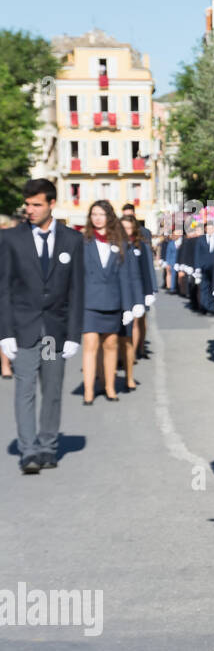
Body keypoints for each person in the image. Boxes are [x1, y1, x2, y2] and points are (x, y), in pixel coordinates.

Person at [0, 179, 85, 473]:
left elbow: (77, 289)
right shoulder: (11, 239)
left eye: (37, 204)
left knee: (51, 390)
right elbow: (4, 289)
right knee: (24, 391)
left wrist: (74, 333)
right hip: (24, 330)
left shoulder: (72, 240)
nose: (30, 209)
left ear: (51, 204)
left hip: (54, 332)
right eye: (28, 204)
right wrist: (5, 333)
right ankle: (29, 451)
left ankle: (48, 446)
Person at [80, 200, 143, 404]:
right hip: (89, 302)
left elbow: (127, 276)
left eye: (101, 214)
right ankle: (89, 390)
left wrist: (130, 306)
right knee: (90, 345)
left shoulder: (120, 243)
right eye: (94, 214)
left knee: (110, 345)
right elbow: (77, 276)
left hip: (113, 302)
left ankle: (109, 386)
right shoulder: (84, 242)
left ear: (109, 217)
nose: (97, 218)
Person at [119, 214, 156, 387]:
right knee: (120, 328)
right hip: (120, 290)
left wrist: (150, 291)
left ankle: (132, 353)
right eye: (123, 228)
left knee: (135, 323)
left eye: (129, 228)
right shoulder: (116, 245)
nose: (126, 231)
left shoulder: (140, 244)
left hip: (138, 289)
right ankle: (122, 355)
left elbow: (147, 268)